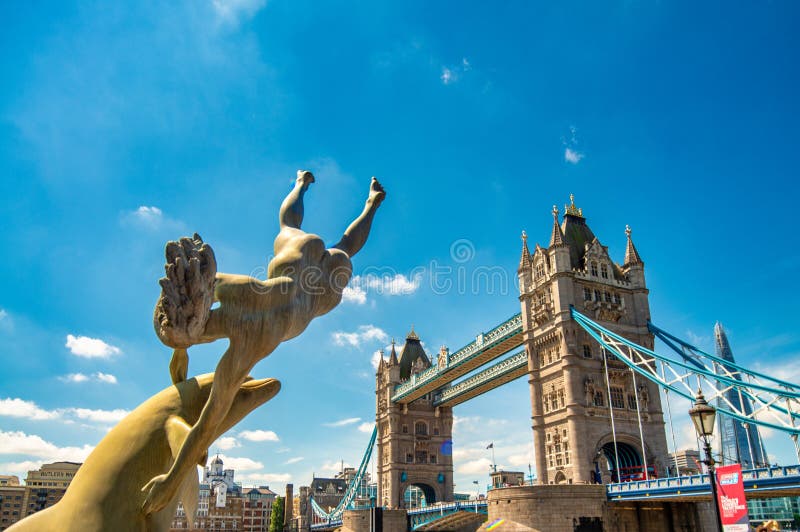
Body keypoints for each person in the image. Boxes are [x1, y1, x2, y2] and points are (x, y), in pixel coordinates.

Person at [142, 170, 385, 514]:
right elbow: (195, 294)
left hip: (320, 294)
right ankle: (311, 185)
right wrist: (180, 345)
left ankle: (366, 202)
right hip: (299, 264)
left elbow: (210, 418)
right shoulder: (234, 289)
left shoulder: (249, 344)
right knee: (293, 229)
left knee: (344, 249)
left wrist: (171, 480)